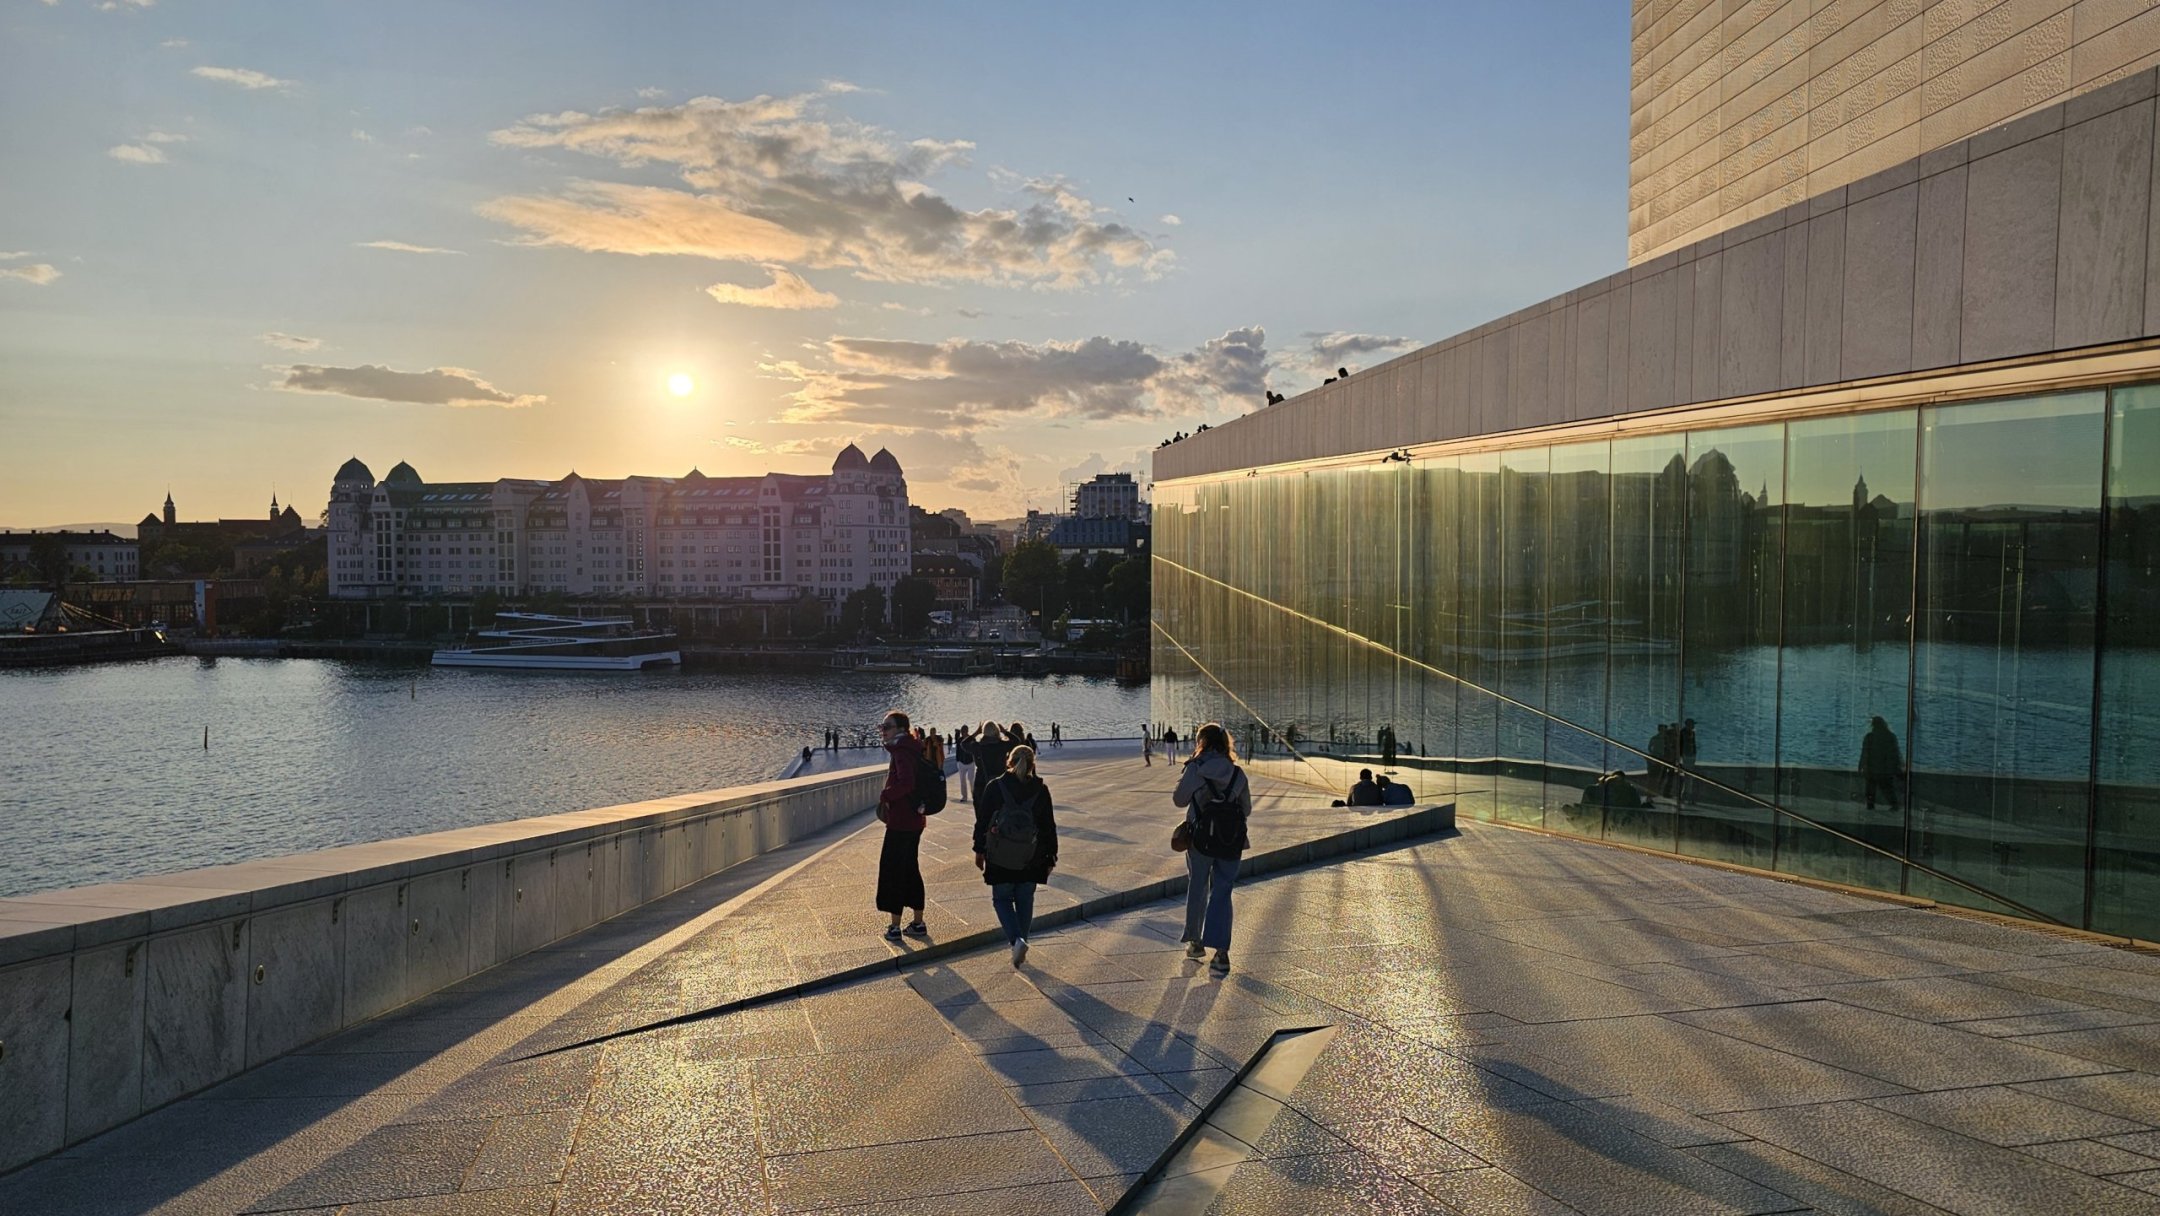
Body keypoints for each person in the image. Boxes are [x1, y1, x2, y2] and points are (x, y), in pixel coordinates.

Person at [1174, 722, 1250, 975]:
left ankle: (1195, 943)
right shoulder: (1237, 773)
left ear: (1202, 743)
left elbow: (1179, 799)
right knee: (1223, 890)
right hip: (1231, 840)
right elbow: (1246, 809)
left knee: (1198, 885)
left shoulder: (1196, 769)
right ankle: (1221, 953)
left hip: (1201, 839)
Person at [975, 743, 1058, 967]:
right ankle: (1022, 942)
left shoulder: (995, 787)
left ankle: (1016, 941)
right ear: (1033, 764)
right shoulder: (1041, 790)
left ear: (1008, 761)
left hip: (1000, 855)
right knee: (1025, 899)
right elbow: (1049, 826)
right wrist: (1051, 856)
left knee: (1001, 899)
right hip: (1031, 856)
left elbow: (982, 821)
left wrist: (979, 849)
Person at [875, 710, 929, 941]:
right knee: (910, 869)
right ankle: (918, 923)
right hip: (915, 820)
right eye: (882, 726)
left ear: (900, 729)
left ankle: (895, 927)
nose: (883, 730)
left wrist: (886, 794)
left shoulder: (901, 751)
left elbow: (907, 782)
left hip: (901, 822)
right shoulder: (913, 747)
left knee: (893, 872)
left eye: (887, 726)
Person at [1860, 716, 1903, 811]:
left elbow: (1864, 753)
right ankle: (1894, 805)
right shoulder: (1891, 736)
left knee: (1870, 789)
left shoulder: (1869, 737)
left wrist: (1861, 766)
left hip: (1872, 768)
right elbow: (1895, 754)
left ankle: (1870, 806)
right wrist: (1897, 766)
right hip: (1885, 769)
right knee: (1888, 788)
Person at [972, 721, 1010, 807]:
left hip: (982, 781)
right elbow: (1016, 741)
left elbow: (964, 743)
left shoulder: (979, 746)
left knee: (981, 809)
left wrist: (976, 733)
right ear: (997, 731)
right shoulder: (1002, 745)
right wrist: (1005, 731)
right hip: (1001, 781)